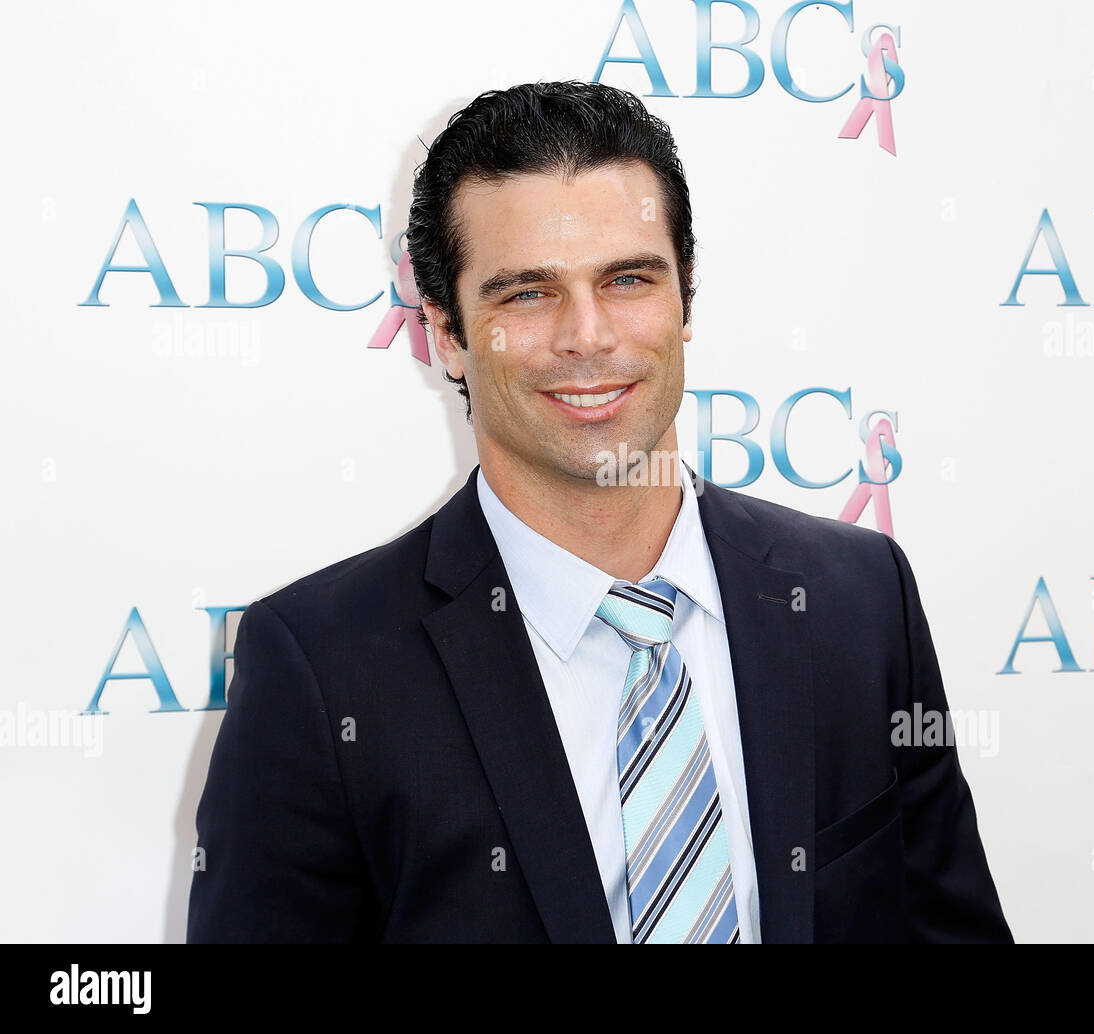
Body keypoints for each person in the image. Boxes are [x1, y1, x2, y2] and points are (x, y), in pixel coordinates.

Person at [186, 81, 1012, 944]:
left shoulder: (859, 597)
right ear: (446, 333)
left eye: (627, 279)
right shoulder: (321, 672)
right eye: (527, 294)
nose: (588, 336)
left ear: (685, 296)